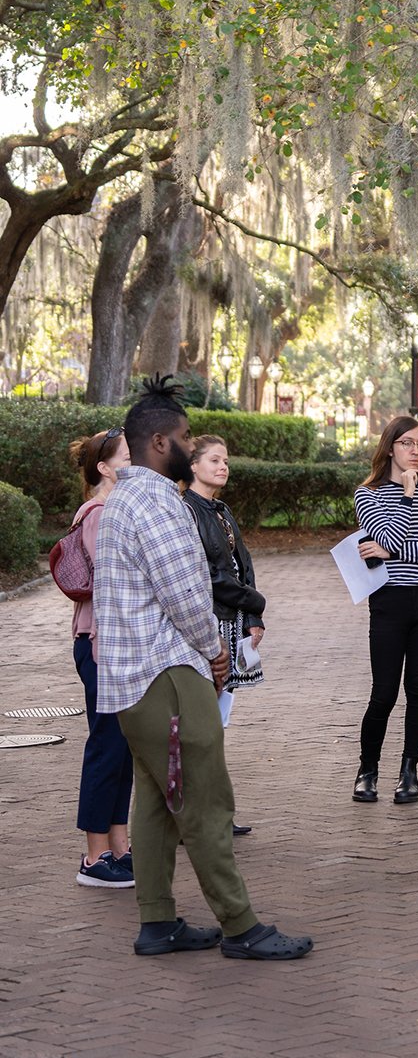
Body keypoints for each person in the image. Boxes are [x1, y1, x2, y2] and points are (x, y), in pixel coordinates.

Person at [94, 375, 312, 960]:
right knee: (205, 797)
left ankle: (157, 922)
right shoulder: (156, 503)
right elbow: (185, 596)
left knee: (155, 800)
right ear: (161, 442)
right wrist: (215, 649)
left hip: (136, 680)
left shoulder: (127, 500)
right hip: (164, 672)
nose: (193, 446)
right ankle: (241, 926)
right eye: (187, 437)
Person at [351, 415, 418, 806]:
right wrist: (408, 497)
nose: (415, 451)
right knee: (383, 692)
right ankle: (368, 769)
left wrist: (391, 551)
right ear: (390, 446)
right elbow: (391, 532)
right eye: (408, 443)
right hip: (390, 601)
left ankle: (410, 770)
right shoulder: (369, 495)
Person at [182, 435, 265, 836]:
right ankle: (192, 817)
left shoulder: (221, 509)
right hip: (207, 625)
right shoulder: (187, 511)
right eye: (214, 460)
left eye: (226, 460)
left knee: (217, 722)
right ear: (193, 466)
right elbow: (208, 575)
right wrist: (256, 599)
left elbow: (240, 564)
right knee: (197, 724)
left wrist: (252, 615)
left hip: (232, 623)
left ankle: (214, 813)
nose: (223, 467)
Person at [67, 426, 135, 889]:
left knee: (123, 745)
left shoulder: (117, 509)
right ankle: (94, 858)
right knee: (106, 745)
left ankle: (120, 846)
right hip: (98, 644)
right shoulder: (98, 513)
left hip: (114, 644)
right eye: (128, 455)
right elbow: (112, 582)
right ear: (104, 468)